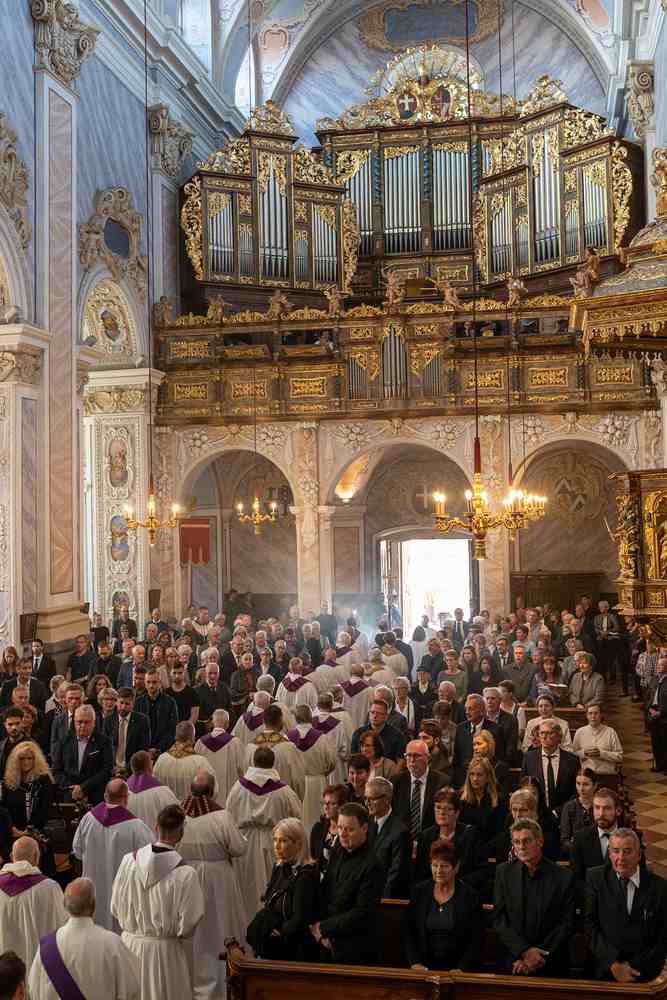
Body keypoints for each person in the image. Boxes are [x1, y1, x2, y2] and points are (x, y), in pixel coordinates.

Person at [110, 806, 204, 1000]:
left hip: (129, 947)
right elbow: (188, 925)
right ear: (180, 834)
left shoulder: (128, 861)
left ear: (155, 827)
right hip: (164, 955)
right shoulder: (186, 874)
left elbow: (115, 907)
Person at [178, 771, 247, 999]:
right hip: (218, 878)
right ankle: (219, 982)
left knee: (194, 933)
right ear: (212, 790)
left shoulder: (178, 813)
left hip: (186, 875)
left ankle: (189, 982)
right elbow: (238, 847)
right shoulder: (221, 816)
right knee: (218, 929)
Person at [29, 877, 140, 1000]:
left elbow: (34, 990)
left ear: (64, 905)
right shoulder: (113, 944)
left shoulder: (46, 948)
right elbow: (132, 989)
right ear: (93, 906)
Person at [226, 747, 302, 921]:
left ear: (253, 761)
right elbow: (296, 818)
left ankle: (246, 928)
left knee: (246, 888)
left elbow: (228, 815)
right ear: (273, 763)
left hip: (244, 842)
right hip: (274, 842)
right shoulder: (284, 791)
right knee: (270, 885)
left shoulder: (238, 787)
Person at [493, 818, 576, 975]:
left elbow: (566, 923)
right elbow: (499, 919)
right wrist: (524, 952)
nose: (521, 847)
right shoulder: (503, 872)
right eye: (516, 842)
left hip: (551, 962)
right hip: (513, 961)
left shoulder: (564, 877)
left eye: (526, 841)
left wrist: (537, 957)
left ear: (540, 841)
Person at [585, 828, 667, 983]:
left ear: (639, 855)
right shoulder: (595, 878)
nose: (621, 858)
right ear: (609, 854)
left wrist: (633, 967)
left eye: (627, 851)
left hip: (645, 973)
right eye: (616, 851)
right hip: (605, 969)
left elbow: (662, 936)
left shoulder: (660, 887)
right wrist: (613, 964)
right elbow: (589, 925)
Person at [72, 778, 153, 932]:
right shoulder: (136, 826)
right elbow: (149, 860)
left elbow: (77, 851)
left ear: (105, 796)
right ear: (126, 798)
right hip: (123, 894)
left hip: (93, 893)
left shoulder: (88, 819)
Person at [310, 803, 383, 964]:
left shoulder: (373, 865)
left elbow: (362, 912)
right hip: (326, 938)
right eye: (340, 828)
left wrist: (324, 928)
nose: (342, 834)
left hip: (355, 947)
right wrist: (320, 930)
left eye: (349, 829)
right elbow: (326, 891)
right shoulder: (338, 851)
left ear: (364, 829)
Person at [246, 818, 319, 961]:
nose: (276, 846)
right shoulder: (279, 868)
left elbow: (300, 919)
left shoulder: (305, 876)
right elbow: (269, 901)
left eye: (283, 841)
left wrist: (279, 931)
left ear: (298, 844)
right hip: (274, 941)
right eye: (275, 840)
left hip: (294, 947)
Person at [406, 840, 483, 971]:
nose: (438, 871)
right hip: (422, 969)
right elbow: (409, 932)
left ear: (456, 867)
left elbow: (476, 940)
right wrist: (415, 963)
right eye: (435, 865)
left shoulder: (470, 897)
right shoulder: (419, 892)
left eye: (444, 866)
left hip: (457, 972)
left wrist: (462, 969)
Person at [0, 837, 66, 970]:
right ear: (37, 857)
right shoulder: (50, 888)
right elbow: (62, 927)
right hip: (36, 967)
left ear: (12, 856)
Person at [52, 705, 113, 806]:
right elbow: (57, 771)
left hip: (95, 795)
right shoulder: (64, 742)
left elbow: (106, 770)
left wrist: (83, 788)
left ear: (94, 723)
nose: (82, 725)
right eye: (79, 722)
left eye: (86, 722)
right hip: (70, 794)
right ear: (74, 722)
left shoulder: (104, 742)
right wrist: (73, 788)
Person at [286, 706, 335, 830]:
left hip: (295, 784)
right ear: (311, 718)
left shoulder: (287, 738)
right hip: (317, 783)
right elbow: (331, 762)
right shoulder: (321, 738)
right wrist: (323, 773)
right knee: (317, 819)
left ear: (295, 718)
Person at [390, 739, 448, 837]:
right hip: (402, 840)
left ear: (428, 758)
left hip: (431, 839)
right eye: (408, 755)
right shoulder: (396, 782)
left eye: (416, 756)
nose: (412, 760)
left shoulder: (442, 782)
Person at [246, 704, 306, 799]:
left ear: (263, 721)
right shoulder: (289, 748)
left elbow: (246, 778)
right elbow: (298, 780)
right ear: (280, 721)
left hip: (254, 801)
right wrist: (298, 799)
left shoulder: (250, 747)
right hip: (281, 802)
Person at [365, 776, 411, 898]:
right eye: (366, 798)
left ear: (386, 799)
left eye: (372, 799)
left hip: (385, 899)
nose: (367, 803)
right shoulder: (366, 824)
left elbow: (396, 875)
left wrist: (381, 901)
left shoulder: (400, 832)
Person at [570, 787, 626, 886]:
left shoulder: (630, 837)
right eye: (597, 807)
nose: (601, 814)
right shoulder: (580, 838)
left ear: (618, 810)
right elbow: (577, 879)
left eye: (607, 808)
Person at [522, 718, 579, 814]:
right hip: (537, 813)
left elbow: (576, 791)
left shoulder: (572, 760)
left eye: (550, 733)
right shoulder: (529, 758)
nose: (545, 737)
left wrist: (559, 812)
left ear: (559, 736)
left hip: (564, 813)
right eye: (542, 733)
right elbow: (524, 787)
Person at [153, 721, 217, 801]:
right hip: (191, 811)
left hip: (167, 810)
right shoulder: (200, 762)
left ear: (175, 737)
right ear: (193, 738)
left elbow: (155, 789)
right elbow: (213, 790)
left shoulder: (161, 759)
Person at [194, 708, 246, 804]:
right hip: (229, 795)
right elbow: (242, 768)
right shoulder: (235, 743)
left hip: (205, 795)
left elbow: (194, 768)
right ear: (227, 724)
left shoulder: (200, 742)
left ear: (213, 723)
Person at [2, 743, 53, 839]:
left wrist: (28, 832)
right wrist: (11, 828)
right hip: (11, 832)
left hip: (37, 833)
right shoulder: (8, 781)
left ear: (36, 760)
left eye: (30, 758)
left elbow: (45, 809)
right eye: (22, 759)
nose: (26, 762)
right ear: (16, 761)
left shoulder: (43, 780)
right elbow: (4, 809)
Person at [452, 693, 505, 786]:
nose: (467, 712)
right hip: (464, 779)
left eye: (471, 709)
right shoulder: (460, 728)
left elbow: (499, 756)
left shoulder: (496, 729)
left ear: (481, 710)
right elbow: (457, 759)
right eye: (466, 709)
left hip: (488, 779)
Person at [459, 755, 506, 851]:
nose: (475, 779)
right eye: (472, 774)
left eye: (479, 775)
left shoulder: (498, 800)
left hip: (490, 850)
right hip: (466, 849)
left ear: (488, 777)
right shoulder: (461, 799)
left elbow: (500, 833)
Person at [102, 687, 151, 777]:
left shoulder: (142, 721)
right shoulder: (108, 721)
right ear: (116, 702)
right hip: (112, 769)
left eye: (127, 704)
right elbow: (104, 748)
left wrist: (126, 768)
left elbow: (143, 748)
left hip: (133, 769)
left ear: (133, 704)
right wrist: (112, 767)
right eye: (121, 703)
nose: (123, 707)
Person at [134, 670, 178, 756]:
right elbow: (135, 729)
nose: (151, 685)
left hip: (164, 750)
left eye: (154, 682)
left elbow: (172, 729)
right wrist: (144, 748)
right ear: (145, 683)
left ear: (160, 683)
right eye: (148, 682)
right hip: (142, 750)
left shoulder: (170, 702)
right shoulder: (138, 702)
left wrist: (159, 748)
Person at [572, 704, 623, 774]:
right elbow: (573, 755)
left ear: (601, 715)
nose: (593, 716)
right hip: (586, 775)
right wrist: (584, 753)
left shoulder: (610, 731)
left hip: (606, 773)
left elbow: (619, 756)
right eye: (590, 713)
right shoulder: (580, 732)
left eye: (596, 713)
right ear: (587, 716)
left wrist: (601, 754)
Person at [310, 784, 347, 873]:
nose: (326, 807)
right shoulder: (318, 828)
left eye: (332, 803)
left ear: (342, 805)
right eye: (325, 803)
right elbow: (313, 858)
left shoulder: (347, 831)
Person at [560, 768, 597, 855]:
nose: (581, 788)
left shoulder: (599, 806)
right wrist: (576, 849)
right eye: (578, 784)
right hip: (575, 853)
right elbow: (565, 839)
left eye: (586, 784)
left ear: (595, 785)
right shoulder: (569, 807)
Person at [647, 653, 667, 772]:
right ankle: (658, 764)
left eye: (662, 665)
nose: (658, 667)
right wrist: (649, 709)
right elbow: (648, 697)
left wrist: (660, 712)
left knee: (665, 742)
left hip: (664, 716)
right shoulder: (654, 679)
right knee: (655, 742)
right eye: (658, 665)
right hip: (652, 714)